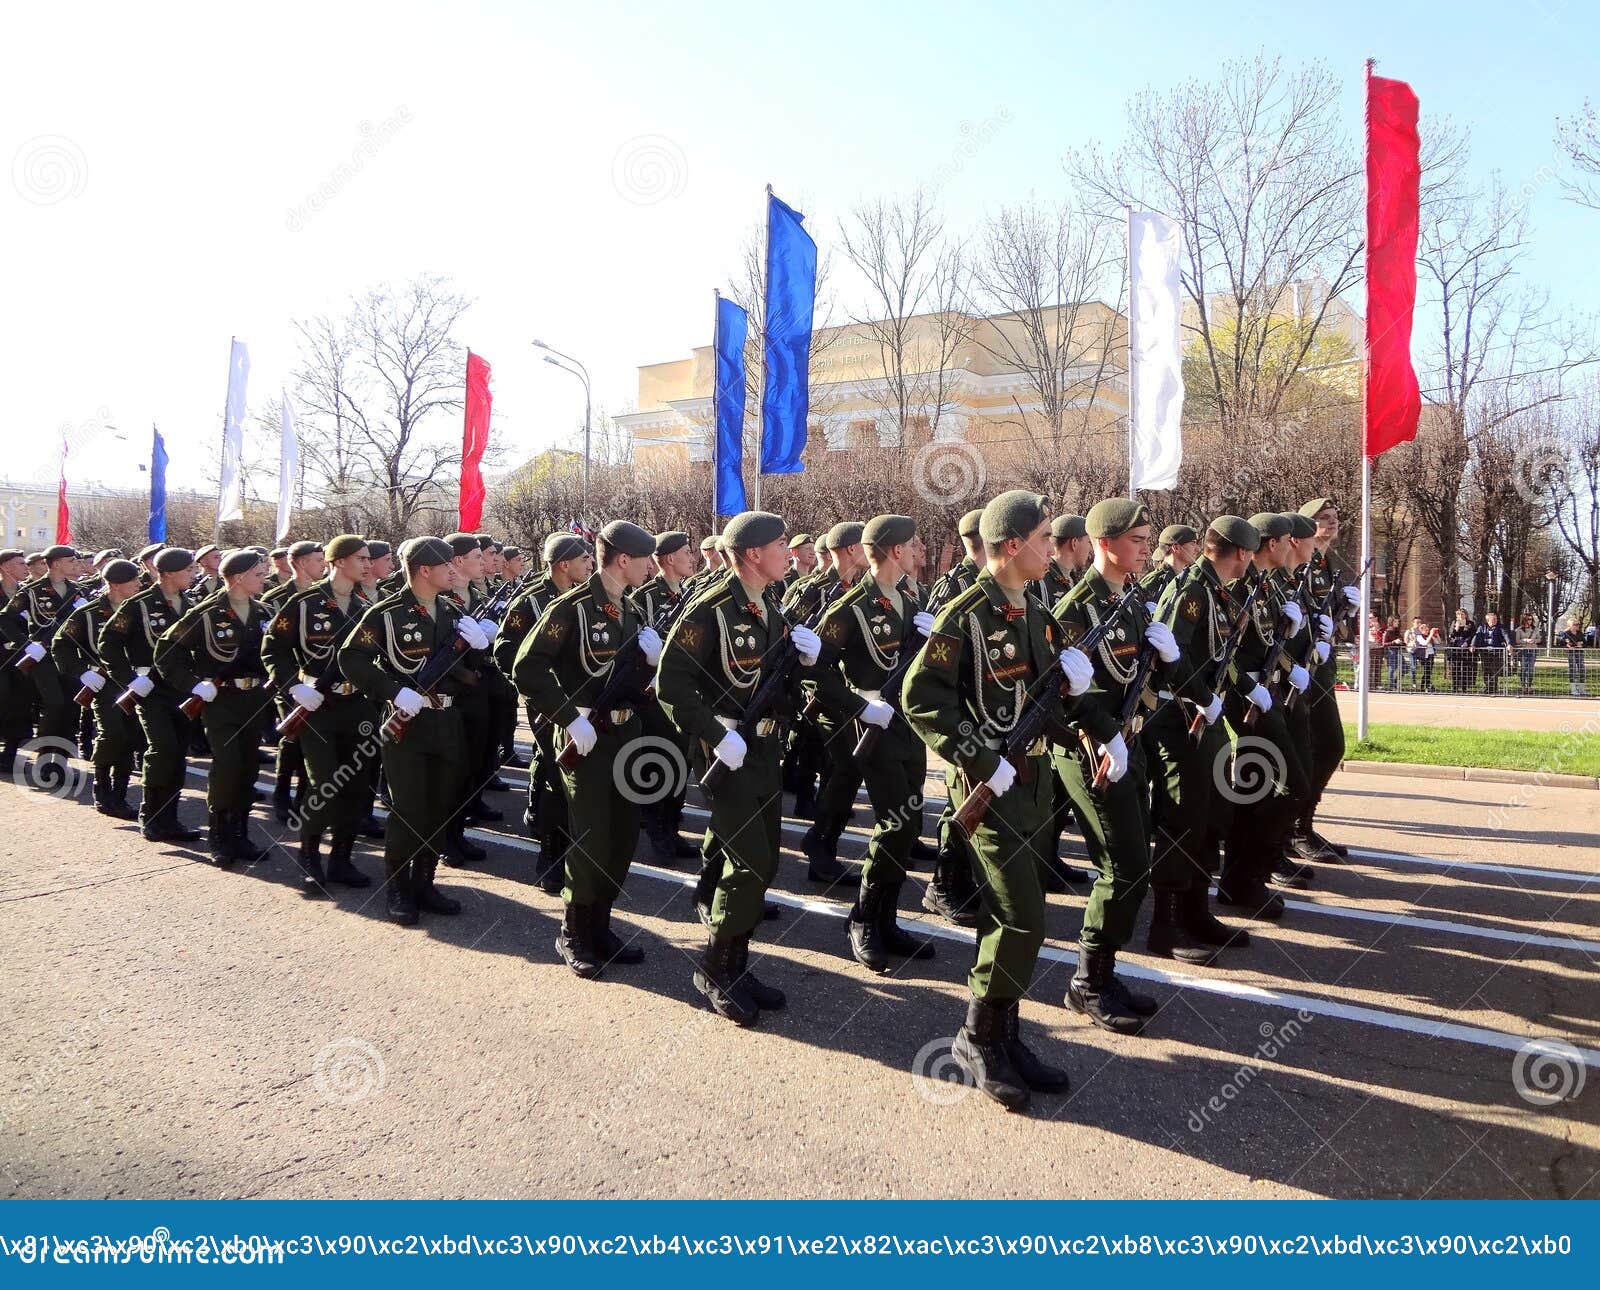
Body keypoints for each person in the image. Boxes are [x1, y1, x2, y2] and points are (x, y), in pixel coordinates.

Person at [902, 490, 1087, 1111]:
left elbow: (1040, 699)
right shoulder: (966, 616)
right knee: (1022, 917)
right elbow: (920, 698)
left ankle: (1003, 1033)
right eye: (1044, 537)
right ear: (1012, 545)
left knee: (1011, 919)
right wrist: (983, 760)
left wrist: (1073, 693)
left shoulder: (1036, 609)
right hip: (991, 788)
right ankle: (978, 1038)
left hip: (1032, 786)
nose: (1051, 547)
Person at [658, 510, 818, 1026]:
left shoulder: (769, 605)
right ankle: (714, 968)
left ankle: (736, 964)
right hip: (727, 751)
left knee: (764, 863)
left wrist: (805, 660)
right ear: (752, 554)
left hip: (764, 751)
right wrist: (714, 735)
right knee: (747, 862)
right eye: (779, 545)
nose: (787, 553)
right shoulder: (711, 609)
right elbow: (672, 684)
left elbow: (773, 684)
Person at [1054, 498, 1181, 1034]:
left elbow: (1145, 682)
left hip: (1129, 745)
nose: (1147, 550)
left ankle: (1102, 972)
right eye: (1138, 541)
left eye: (1149, 540)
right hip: (1091, 752)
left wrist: (1171, 661)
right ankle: (1087, 982)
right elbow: (1061, 698)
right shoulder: (1074, 611)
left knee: (1132, 865)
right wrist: (1106, 735)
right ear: (1104, 544)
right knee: (1122, 866)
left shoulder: (1132, 601)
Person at [515, 520, 660, 978]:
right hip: (585, 737)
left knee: (622, 836)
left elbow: (631, 685)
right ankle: (574, 932)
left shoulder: (632, 610)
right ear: (623, 559)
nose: (651, 567)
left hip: (625, 736)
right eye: (645, 559)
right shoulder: (570, 608)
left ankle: (601, 926)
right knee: (592, 837)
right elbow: (526, 668)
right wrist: (568, 718)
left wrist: (651, 668)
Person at [807, 514, 937, 973]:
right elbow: (815, 672)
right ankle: (863, 918)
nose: (918, 550)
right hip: (873, 729)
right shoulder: (850, 608)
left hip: (907, 728)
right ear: (896, 551)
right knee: (894, 824)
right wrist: (859, 707)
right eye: (913, 544)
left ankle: (887, 918)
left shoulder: (909, 601)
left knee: (910, 823)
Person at [338, 537, 473, 926]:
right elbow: (351, 658)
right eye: (446, 565)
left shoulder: (452, 611)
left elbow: (465, 671)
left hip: (446, 721)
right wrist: (392, 691)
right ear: (425, 570)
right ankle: (398, 887)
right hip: (406, 723)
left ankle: (425, 883)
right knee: (408, 808)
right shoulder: (386, 613)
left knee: (439, 805)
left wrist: (480, 646)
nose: (453, 571)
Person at [262, 534, 377, 893]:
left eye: (368, 558)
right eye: (360, 558)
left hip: (357, 705)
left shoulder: (367, 605)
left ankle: (341, 859)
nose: (367, 564)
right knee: (323, 783)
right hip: (317, 705)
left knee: (355, 785)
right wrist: (293, 687)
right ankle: (309, 858)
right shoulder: (304, 603)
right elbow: (273, 649)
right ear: (338, 561)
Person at [155, 549, 276, 866]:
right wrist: (194, 684)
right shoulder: (207, 613)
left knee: (248, 767)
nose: (264, 579)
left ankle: (240, 834)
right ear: (237, 577)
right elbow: (167, 651)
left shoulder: (265, 612)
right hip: (221, 700)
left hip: (254, 699)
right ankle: (219, 837)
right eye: (258, 574)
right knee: (227, 767)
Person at [495, 532, 592, 893]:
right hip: (548, 705)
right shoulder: (531, 601)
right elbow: (506, 651)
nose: (589, 564)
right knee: (555, 775)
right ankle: (550, 858)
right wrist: (536, 689)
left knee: (574, 778)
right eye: (583, 559)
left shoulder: (584, 598)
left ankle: (571, 848)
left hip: (581, 704)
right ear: (564, 564)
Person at [918, 508, 988, 928]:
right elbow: (935, 653)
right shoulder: (955, 585)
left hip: (986, 710)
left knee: (971, 799)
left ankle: (960, 879)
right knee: (958, 799)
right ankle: (943, 885)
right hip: (962, 713)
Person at [627, 530, 699, 865]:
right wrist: (650, 667)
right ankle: (658, 832)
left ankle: (671, 827)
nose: (692, 558)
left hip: (682, 693)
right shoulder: (644, 598)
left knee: (682, 761)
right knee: (660, 762)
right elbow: (632, 648)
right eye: (687, 552)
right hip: (653, 697)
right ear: (669, 558)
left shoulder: (688, 593)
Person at [52, 558, 144, 818]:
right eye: (133, 580)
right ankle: (102, 788)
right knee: (113, 734)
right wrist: (82, 672)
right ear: (115, 584)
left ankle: (120, 794)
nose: (139, 584)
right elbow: (61, 644)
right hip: (104, 684)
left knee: (131, 736)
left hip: (137, 682)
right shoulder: (88, 613)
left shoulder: (142, 609)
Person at [0, 543, 87, 790]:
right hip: (42, 658)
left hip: (69, 657)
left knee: (71, 706)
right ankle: (44, 759)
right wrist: (25, 645)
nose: (76, 565)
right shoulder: (31, 591)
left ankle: (59, 760)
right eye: (71, 561)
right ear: (57, 563)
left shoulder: (78, 591)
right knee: (54, 703)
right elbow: (4, 618)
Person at [1474, 611, 1511, 694]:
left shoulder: (1501, 627)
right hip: (1485, 652)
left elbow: (1506, 635)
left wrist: (1509, 644)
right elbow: (1476, 637)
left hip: (1496, 652)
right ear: (1488, 620)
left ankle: (1493, 688)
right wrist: (1473, 645)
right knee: (1486, 670)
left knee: (1494, 670)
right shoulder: (1482, 627)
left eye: (1496, 619)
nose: (1495, 621)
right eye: (1493, 619)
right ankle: (1487, 687)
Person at [1447, 609, 1476, 691]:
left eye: (1462, 614)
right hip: (1455, 649)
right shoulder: (1454, 623)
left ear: (1465, 615)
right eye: (1458, 614)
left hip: (1465, 648)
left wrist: (1467, 642)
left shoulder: (1470, 623)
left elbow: (1473, 634)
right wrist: (1456, 628)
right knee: (1455, 668)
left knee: (1465, 668)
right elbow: (1451, 635)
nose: (1460, 616)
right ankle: (1455, 687)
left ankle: (1464, 687)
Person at [1409, 617, 1439, 692]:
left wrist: (1435, 634)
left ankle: (1425, 686)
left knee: (1429, 672)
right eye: (1425, 630)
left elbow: (1438, 642)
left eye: (1427, 630)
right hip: (1424, 656)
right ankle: (1426, 686)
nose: (1427, 631)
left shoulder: (1429, 636)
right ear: (1421, 630)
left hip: (1431, 655)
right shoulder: (1419, 636)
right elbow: (1424, 643)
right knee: (1427, 671)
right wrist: (1430, 635)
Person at [1559, 618, 1587, 696]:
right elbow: (1561, 642)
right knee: (1573, 669)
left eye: (1578, 624)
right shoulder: (1565, 633)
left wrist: (1581, 644)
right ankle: (1573, 689)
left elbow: (1585, 642)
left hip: (1579, 652)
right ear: (1570, 625)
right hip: (1571, 653)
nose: (1577, 626)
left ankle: (1582, 689)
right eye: (1575, 624)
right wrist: (1567, 646)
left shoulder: (1580, 633)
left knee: (1582, 669)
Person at [1514, 614, 1539, 694]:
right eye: (1528, 619)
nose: (1529, 621)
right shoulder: (1519, 630)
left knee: (1531, 669)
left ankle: (1529, 686)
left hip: (1533, 650)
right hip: (1523, 651)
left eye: (1531, 619)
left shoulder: (1535, 629)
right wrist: (1525, 640)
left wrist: (1534, 641)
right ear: (1524, 620)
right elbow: (1517, 641)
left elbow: (1539, 639)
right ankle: (1523, 686)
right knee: (1523, 669)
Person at [1382, 615, 1404, 691]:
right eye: (1395, 621)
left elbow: (1402, 641)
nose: (1397, 623)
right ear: (1391, 622)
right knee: (1392, 668)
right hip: (1391, 651)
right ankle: (1391, 685)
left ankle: (1395, 682)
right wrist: (1394, 642)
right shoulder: (1388, 631)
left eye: (1398, 621)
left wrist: (1402, 642)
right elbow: (1384, 644)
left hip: (1398, 651)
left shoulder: (1397, 631)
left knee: (1405, 668)